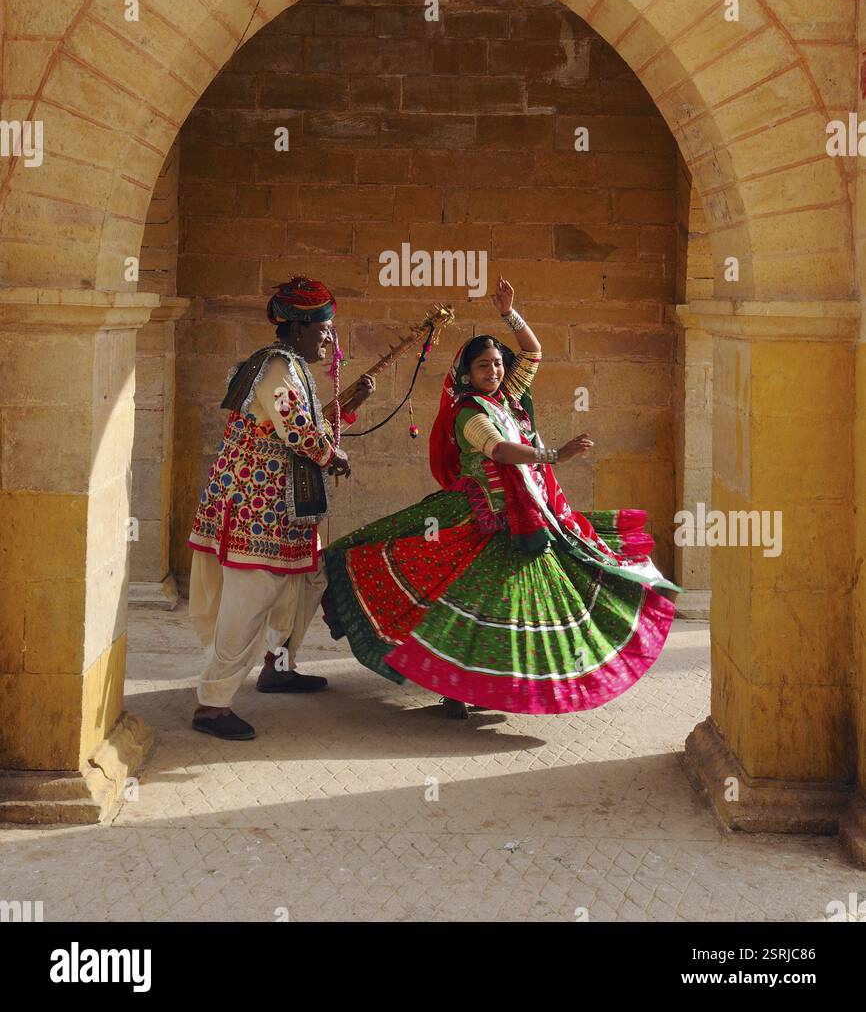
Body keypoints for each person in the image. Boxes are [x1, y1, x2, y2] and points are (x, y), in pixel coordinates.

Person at [323, 276, 680, 719]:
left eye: (496, 364)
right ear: (466, 376)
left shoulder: (507, 399)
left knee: (497, 612)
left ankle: (475, 690)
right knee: (464, 607)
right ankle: (455, 692)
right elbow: (500, 450)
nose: (492, 372)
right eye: (482, 367)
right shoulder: (469, 412)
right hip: (480, 523)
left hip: (524, 516)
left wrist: (509, 314)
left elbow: (532, 352)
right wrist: (556, 454)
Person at [187, 275, 374, 740]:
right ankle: (212, 705)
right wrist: (335, 455)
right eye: (324, 330)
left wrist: (347, 411)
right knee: (249, 602)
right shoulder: (275, 369)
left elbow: (301, 429)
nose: (330, 338)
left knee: (308, 582)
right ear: (297, 327)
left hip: (284, 511)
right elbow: (300, 435)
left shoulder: (291, 369)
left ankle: (279, 667)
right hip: (255, 512)